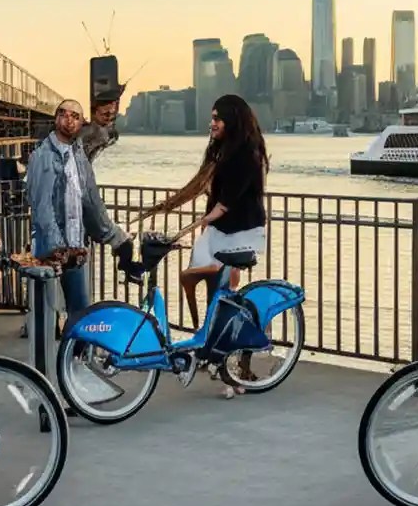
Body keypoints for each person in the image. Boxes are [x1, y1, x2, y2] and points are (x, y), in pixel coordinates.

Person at [137, 94, 269, 396]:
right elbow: (199, 185)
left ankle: (230, 365)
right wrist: (168, 206)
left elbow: (227, 201)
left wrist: (200, 222)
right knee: (214, 292)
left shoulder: (248, 153)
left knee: (217, 285)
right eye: (211, 118)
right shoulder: (221, 150)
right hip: (219, 227)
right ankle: (211, 350)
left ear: (231, 120)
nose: (212, 124)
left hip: (241, 230)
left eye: (217, 119)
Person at [26, 99, 137, 317]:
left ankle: (76, 352)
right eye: (64, 114)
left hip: (75, 248)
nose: (69, 120)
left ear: (81, 123)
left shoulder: (79, 156)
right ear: (56, 118)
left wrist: (114, 236)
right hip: (51, 252)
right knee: (45, 315)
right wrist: (57, 249)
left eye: (75, 116)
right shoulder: (42, 156)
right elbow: (42, 206)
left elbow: (91, 202)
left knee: (80, 313)